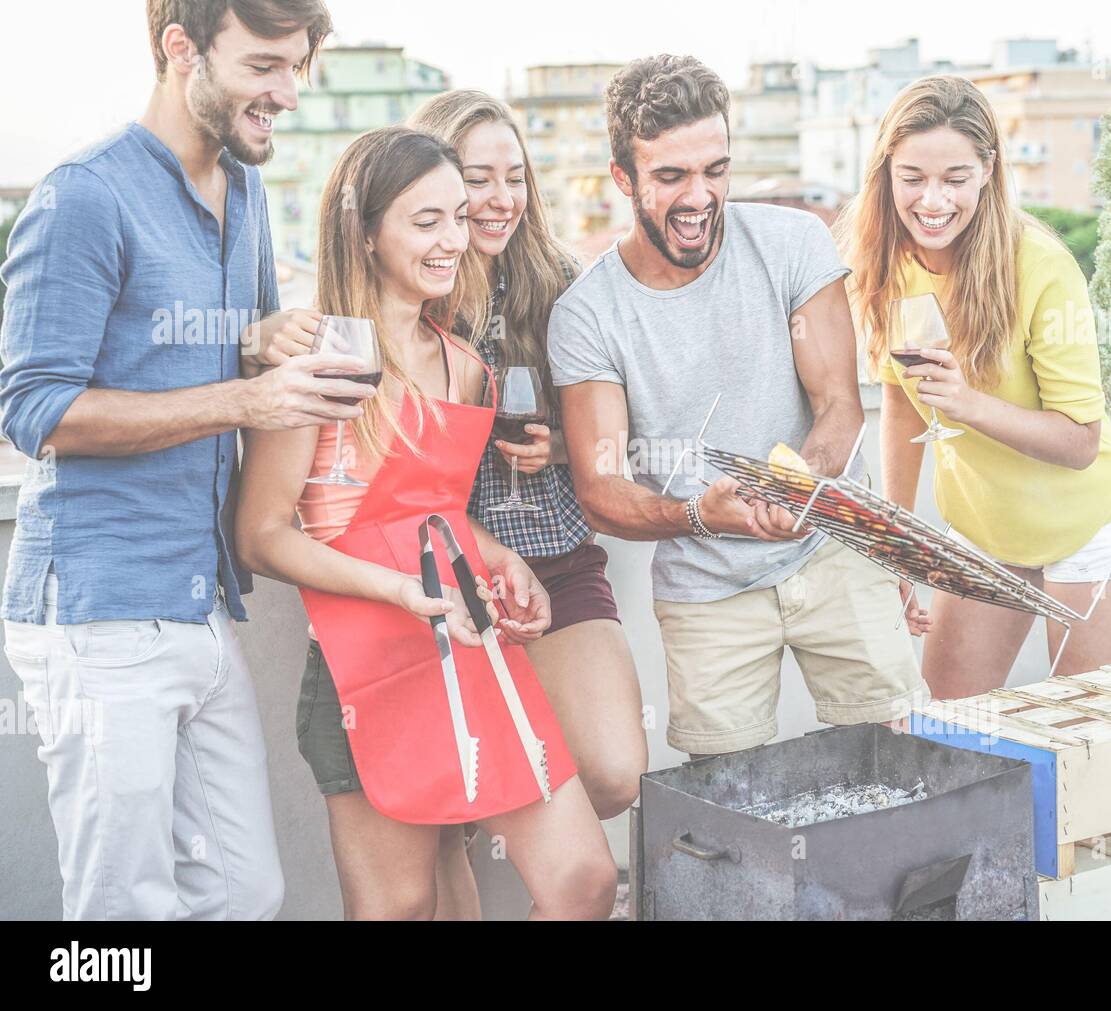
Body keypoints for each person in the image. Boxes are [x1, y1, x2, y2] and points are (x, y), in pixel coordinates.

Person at [0, 0, 343, 920]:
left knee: (244, 891)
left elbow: (238, 350)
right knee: (122, 914)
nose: (288, 92)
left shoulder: (247, 186)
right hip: (99, 605)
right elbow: (35, 407)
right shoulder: (82, 195)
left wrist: (271, 339)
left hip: (199, 599)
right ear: (179, 47)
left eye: (298, 66)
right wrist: (242, 398)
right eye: (266, 65)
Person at [235, 126, 617, 921]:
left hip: (468, 648)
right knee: (401, 908)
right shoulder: (317, 361)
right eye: (425, 221)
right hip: (362, 671)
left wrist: (500, 554)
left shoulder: (469, 368)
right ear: (365, 233)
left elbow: (435, 510)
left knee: (585, 880)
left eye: (457, 217)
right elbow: (263, 535)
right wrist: (398, 589)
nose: (453, 241)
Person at [550, 55, 926, 760]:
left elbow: (841, 407)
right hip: (704, 589)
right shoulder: (587, 316)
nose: (700, 197)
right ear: (623, 179)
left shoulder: (793, 244)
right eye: (670, 177)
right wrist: (698, 514)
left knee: (900, 755)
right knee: (729, 799)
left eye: (715, 170)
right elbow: (600, 489)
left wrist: (795, 492)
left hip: (834, 549)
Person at [838, 75, 1111, 699]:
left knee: (1086, 740)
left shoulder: (1040, 264)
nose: (933, 201)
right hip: (986, 531)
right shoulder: (883, 263)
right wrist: (901, 541)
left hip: (1088, 530)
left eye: (955, 179)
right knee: (952, 728)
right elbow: (902, 401)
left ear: (988, 170)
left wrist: (969, 405)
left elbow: (1080, 441)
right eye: (913, 178)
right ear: (885, 174)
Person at [409, 91, 646, 816]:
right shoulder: (411, 291)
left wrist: (566, 452)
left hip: (556, 559)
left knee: (616, 773)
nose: (500, 198)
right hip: (437, 582)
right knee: (458, 807)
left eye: (514, 178)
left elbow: (627, 433)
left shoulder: (563, 283)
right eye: (478, 179)